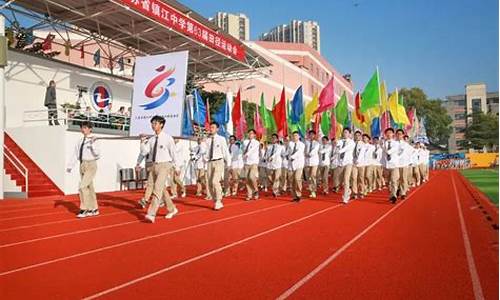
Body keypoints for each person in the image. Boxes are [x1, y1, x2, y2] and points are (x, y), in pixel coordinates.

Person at [141, 116, 179, 223]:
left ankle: (151, 213)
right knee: (160, 190)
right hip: (153, 165)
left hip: (165, 165)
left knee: (157, 188)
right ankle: (172, 209)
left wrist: (177, 167)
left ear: (161, 124)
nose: (153, 125)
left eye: (155, 123)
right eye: (152, 123)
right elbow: (144, 152)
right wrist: (142, 142)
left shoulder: (168, 138)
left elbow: (173, 153)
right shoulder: (151, 139)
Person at [66, 121, 100, 218]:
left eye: (85, 127)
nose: (83, 129)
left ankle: (84, 208)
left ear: (90, 129)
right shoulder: (80, 141)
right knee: (90, 188)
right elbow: (76, 154)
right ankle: (94, 208)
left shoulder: (95, 139)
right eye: (82, 127)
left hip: (91, 164)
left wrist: (93, 144)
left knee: (82, 186)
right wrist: (70, 166)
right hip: (82, 164)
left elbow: (98, 154)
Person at [205, 122, 231, 210]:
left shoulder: (221, 139)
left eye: (213, 127)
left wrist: (228, 163)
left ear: (217, 129)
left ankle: (219, 200)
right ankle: (215, 199)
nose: (211, 129)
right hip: (209, 162)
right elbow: (206, 151)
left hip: (219, 161)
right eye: (210, 127)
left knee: (215, 181)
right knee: (209, 183)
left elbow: (225, 151)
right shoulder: (207, 140)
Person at [337, 128, 356, 203]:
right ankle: (348, 190)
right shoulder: (341, 141)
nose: (344, 134)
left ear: (349, 134)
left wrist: (339, 150)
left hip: (348, 163)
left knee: (346, 179)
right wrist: (335, 142)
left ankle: (345, 197)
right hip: (341, 163)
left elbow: (346, 148)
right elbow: (336, 144)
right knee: (340, 180)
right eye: (344, 132)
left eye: (346, 132)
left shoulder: (352, 142)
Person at [383, 128, 400, 204]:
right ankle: (392, 193)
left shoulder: (396, 143)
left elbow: (389, 152)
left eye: (390, 133)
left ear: (393, 134)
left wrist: (383, 147)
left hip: (394, 165)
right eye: (387, 133)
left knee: (393, 181)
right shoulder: (384, 143)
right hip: (386, 165)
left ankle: (394, 196)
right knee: (387, 182)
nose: (389, 134)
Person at [242, 129, 260, 201]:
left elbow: (251, 150)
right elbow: (243, 150)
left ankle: (256, 190)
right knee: (247, 179)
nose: (250, 135)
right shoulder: (245, 142)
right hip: (246, 162)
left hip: (254, 162)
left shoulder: (256, 142)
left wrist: (246, 154)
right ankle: (249, 194)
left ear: (254, 135)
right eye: (249, 133)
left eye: (252, 133)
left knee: (252, 177)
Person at [136, 138, 154, 209]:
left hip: (154, 164)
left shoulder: (151, 142)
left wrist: (142, 142)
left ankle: (145, 199)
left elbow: (144, 152)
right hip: (148, 164)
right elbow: (142, 154)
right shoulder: (146, 142)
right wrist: (138, 164)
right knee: (153, 184)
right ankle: (163, 199)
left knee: (151, 183)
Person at [288, 131, 305, 202]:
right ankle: (294, 196)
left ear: (299, 137)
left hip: (299, 164)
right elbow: (288, 152)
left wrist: (292, 157)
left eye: (296, 135)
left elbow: (299, 152)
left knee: (297, 178)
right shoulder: (290, 144)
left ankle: (298, 194)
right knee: (292, 180)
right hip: (291, 165)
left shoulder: (302, 144)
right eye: (293, 135)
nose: (295, 137)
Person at [304, 130, 320, 198]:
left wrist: (309, 154)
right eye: (310, 134)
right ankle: (311, 189)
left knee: (313, 176)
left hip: (314, 162)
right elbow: (303, 150)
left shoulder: (317, 143)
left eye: (312, 134)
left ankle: (313, 190)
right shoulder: (306, 142)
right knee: (308, 177)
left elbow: (314, 150)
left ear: (314, 135)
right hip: (307, 162)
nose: (311, 136)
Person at [396, 130, 412, 199]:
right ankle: (397, 189)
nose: (399, 135)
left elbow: (409, 154)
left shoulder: (406, 145)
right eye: (398, 134)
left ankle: (403, 193)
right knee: (396, 179)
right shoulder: (394, 143)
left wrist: (409, 162)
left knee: (403, 178)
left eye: (400, 134)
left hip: (404, 164)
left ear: (402, 135)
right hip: (396, 164)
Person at [351, 130, 365, 199]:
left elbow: (361, 153)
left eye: (358, 135)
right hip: (353, 163)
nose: (357, 137)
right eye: (356, 135)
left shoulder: (362, 144)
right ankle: (354, 192)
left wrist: (358, 160)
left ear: (360, 136)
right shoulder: (352, 143)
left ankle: (361, 192)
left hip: (361, 163)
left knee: (361, 178)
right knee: (353, 178)